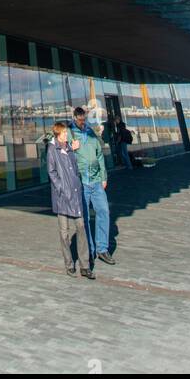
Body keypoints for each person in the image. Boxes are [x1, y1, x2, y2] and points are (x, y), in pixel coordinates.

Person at [47, 122, 94, 281]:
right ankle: (69, 264)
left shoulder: (69, 148)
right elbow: (51, 172)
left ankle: (85, 265)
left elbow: (74, 168)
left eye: (67, 132)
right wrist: (61, 188)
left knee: (81, 227)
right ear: (58, 133)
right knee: (64, 233)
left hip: (74, 194)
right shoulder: (53, 150)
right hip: (62, 197)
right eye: (65, 133)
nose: (67, 135)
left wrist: (74, 151)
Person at [73, 111, 116, 265]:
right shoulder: (70, 134)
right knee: (84, 218)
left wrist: (103, 176)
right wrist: (71, 148)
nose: (82, 122)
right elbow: (61, 156)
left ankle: (102, 249)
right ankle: (89, 251)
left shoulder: (90, 133)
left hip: (96, 181)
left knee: (103, 211)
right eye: (80, 120)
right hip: (82, 182)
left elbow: (99, 155)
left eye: (84, 119)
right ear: (74, 118)